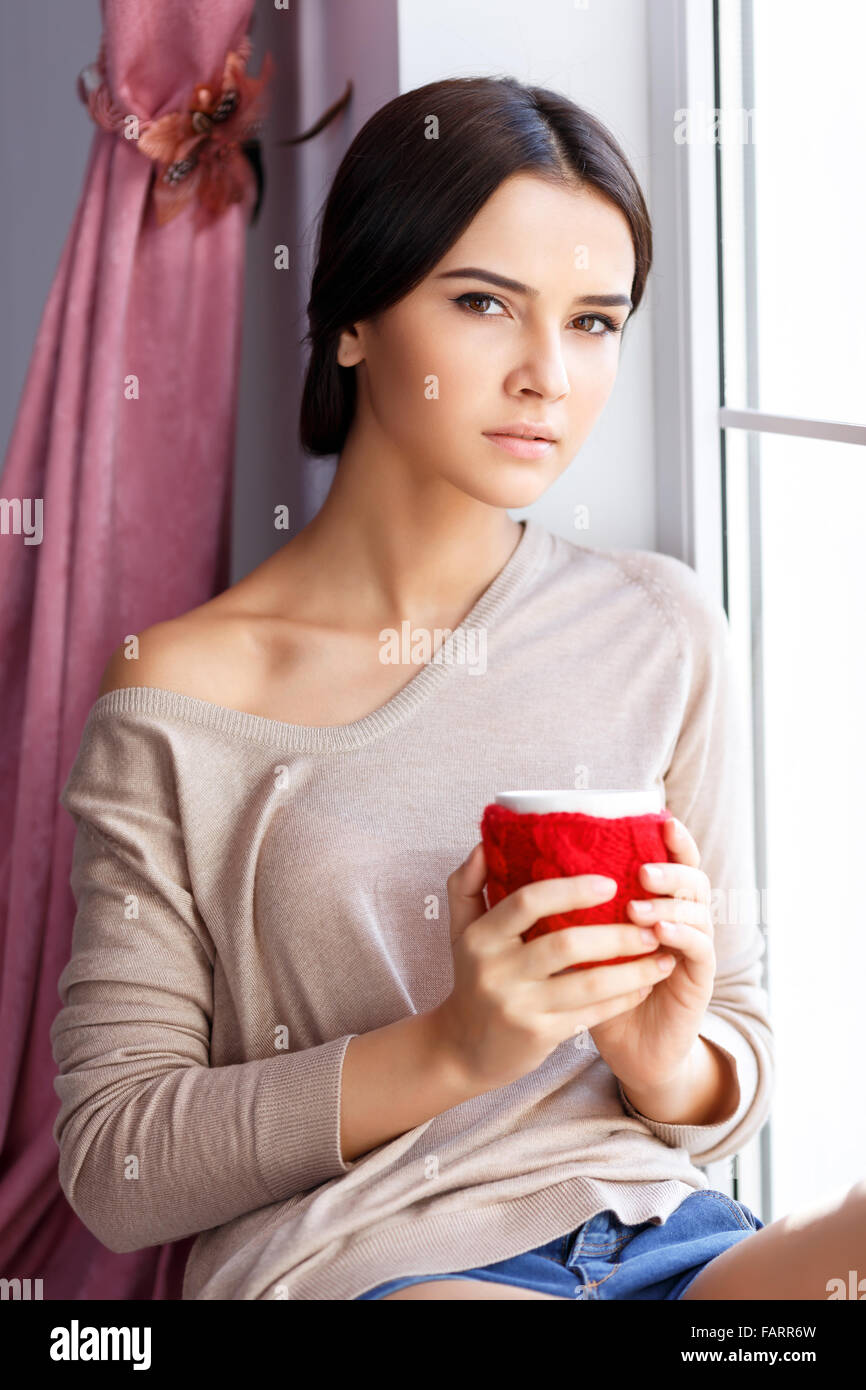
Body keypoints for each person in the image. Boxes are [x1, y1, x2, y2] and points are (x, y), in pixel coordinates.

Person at [51, 75, 864, 1301]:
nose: (548, 373)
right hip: (377, 1264)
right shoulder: (178, 695)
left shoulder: (662, 627)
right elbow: (116, 1161)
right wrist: (449, 1050)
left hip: (671, 1245)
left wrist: (661, 1061)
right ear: (353, 320)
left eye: (593, 321)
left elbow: (724, 1057)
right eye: (486, 303)